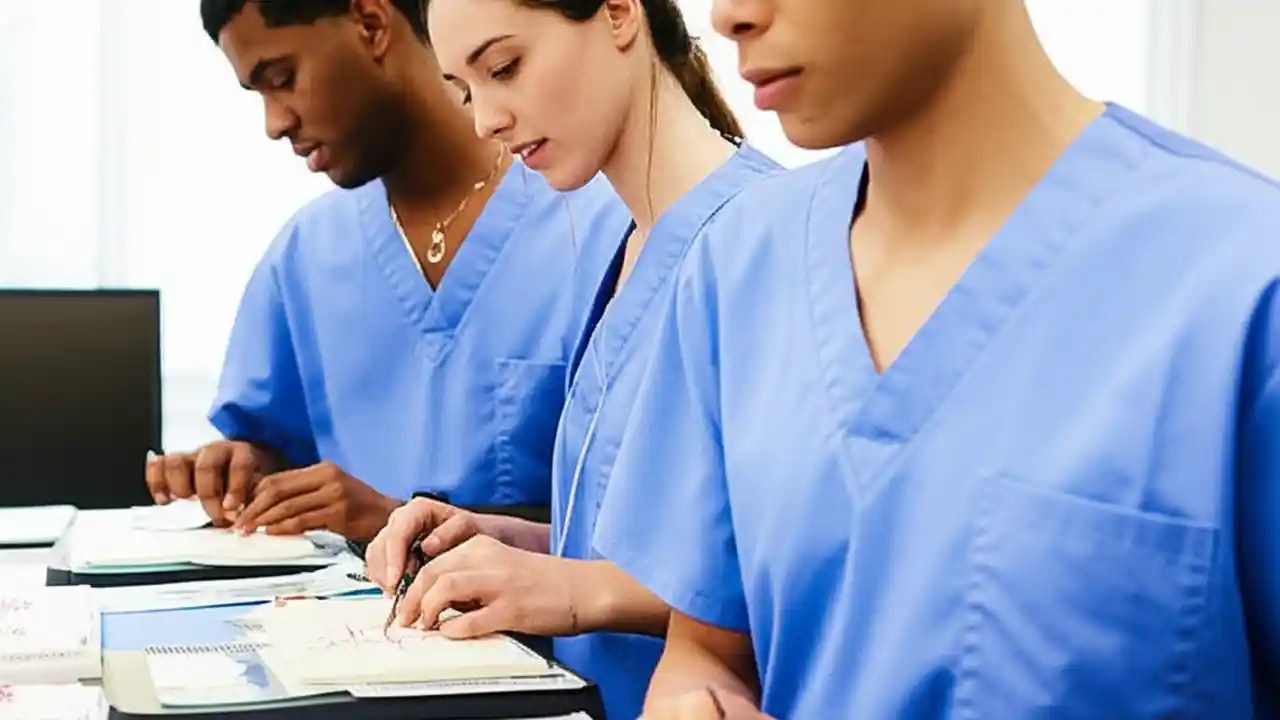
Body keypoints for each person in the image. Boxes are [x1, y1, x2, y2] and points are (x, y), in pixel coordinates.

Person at [594, 0, 1280, 717]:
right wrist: (693, 700)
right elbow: (706, 654)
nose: (731, 14)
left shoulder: (1240, 290)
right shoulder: (741, 267)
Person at [362, 0, 779, 716]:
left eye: (504, 68)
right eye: (464, 90)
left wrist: (575, 590)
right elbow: (669, 542)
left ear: (618, 13)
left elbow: (789, 576)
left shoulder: (764, 242)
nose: (485, 121)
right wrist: (515, 546)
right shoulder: (626, 249)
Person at [145, 0, 630, 543]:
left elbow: (640, 522)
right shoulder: (306, 255)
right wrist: (242, 473)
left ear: (370, 24)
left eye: (282, 79)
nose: (275, 123)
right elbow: (275, 446)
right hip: (339, 601)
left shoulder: (600, 227)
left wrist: (393, 519)